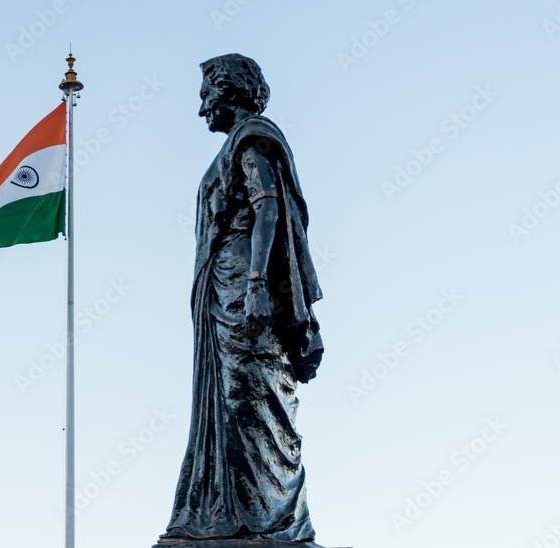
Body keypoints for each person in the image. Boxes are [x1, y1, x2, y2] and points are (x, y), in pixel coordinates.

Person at [157, 54, 324, 545]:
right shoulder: (234, 144)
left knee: (251, 400)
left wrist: (255, 285)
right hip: (221, 295)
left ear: (231, 90)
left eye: (207, 95)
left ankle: (268, 520)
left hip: (242, 296)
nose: (203, 107)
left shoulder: (252, 138)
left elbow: (267, 205)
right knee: (226, 407)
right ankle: (218, 512)